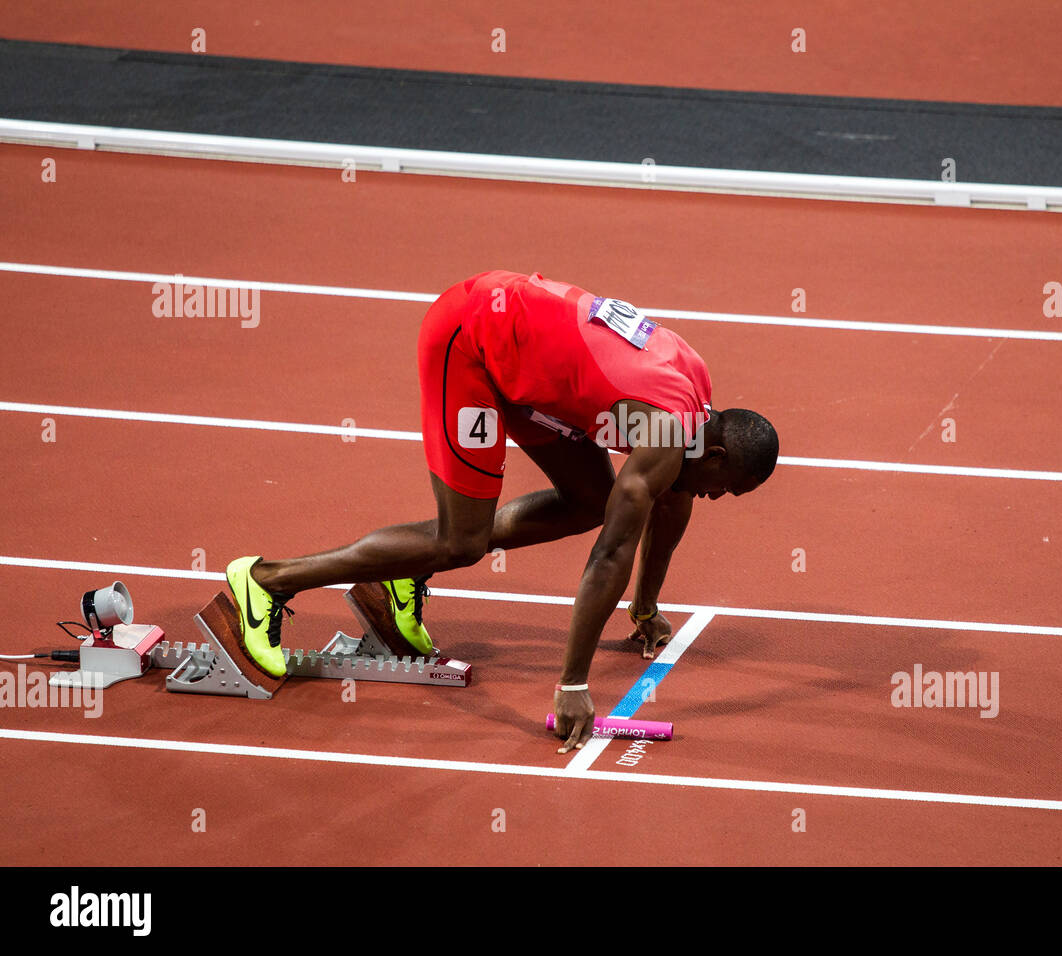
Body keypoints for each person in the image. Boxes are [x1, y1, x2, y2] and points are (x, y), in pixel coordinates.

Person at [225, 270, 778, 751]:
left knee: (589, 500)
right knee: (460, 543)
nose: (717, 498)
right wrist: (573, 687)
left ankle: (402, 573)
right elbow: (611, 553)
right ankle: (269, 580)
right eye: (727, 489)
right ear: (719, 454)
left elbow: (674, 500)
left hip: (522, 346)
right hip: (470, 343)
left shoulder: (697, 402)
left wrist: (644, 608)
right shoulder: (666, 431)